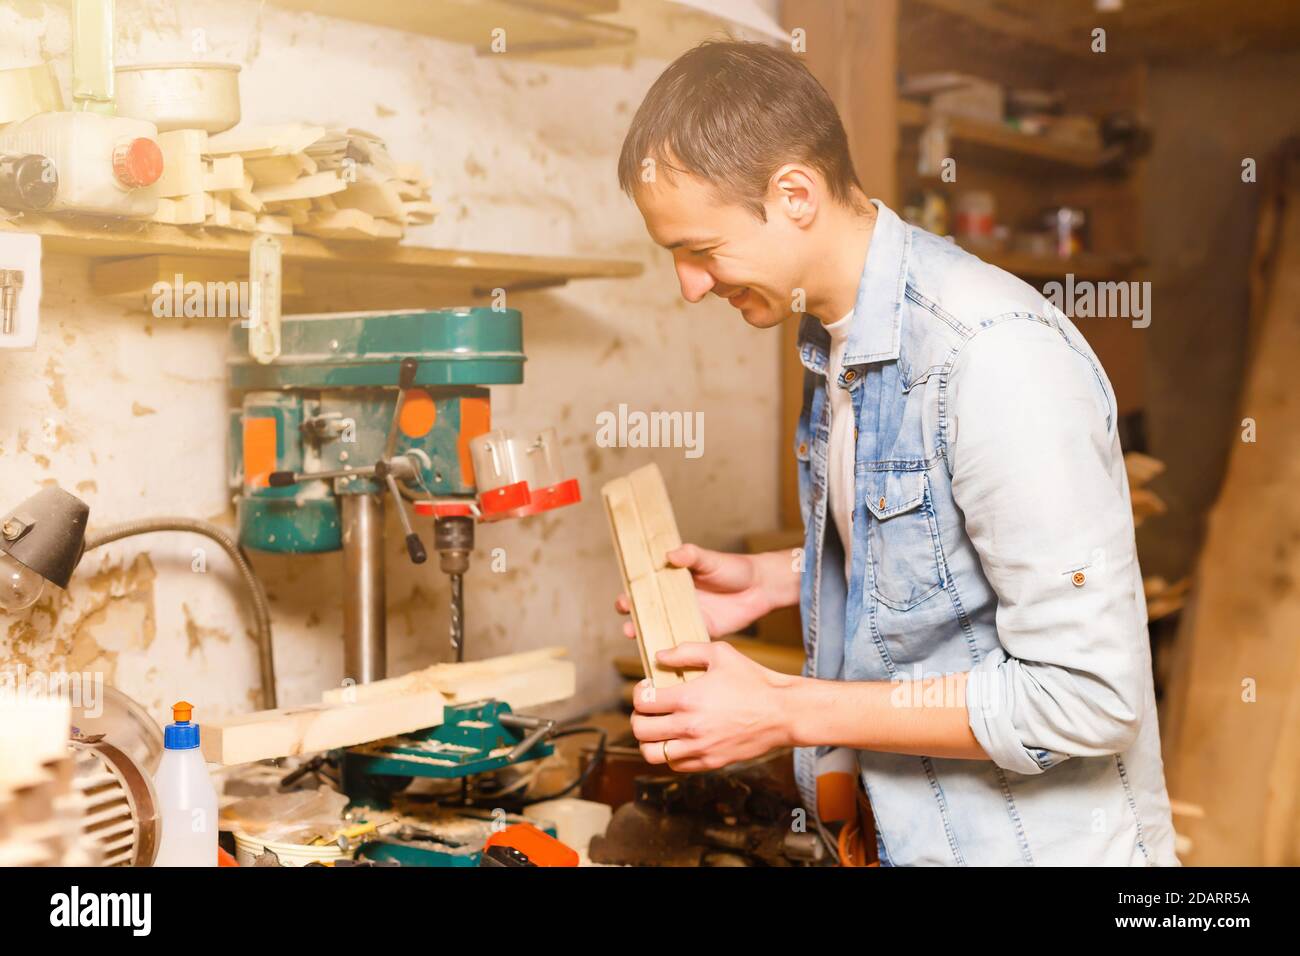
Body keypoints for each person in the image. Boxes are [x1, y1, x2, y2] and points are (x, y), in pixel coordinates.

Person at [612, 40, 1177, 866]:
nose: (690, 285)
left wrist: (787, 707)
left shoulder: (991, 357)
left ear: (795, 194)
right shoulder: (837, 337)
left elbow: (1088, 698)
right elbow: (950, 545)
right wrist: (787, 576)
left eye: (701, 250)